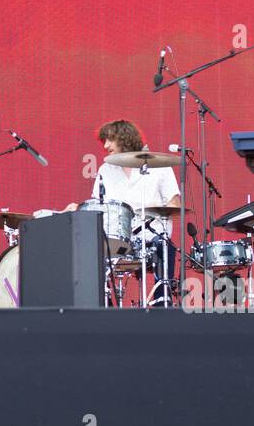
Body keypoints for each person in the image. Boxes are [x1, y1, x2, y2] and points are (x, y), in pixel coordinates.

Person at [68, 119, 183, 301]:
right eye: (104, 141)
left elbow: (174, 205)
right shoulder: (105, 169)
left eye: (109, 140)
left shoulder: (159, 166)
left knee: (165, 246)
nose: (105, 145)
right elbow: (97, 205)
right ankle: (104, 308)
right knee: (90, 250)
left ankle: (162, 302)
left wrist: (157, 214)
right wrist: (78, 208)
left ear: (124, 138)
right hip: (119, 238)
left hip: (152, 237)